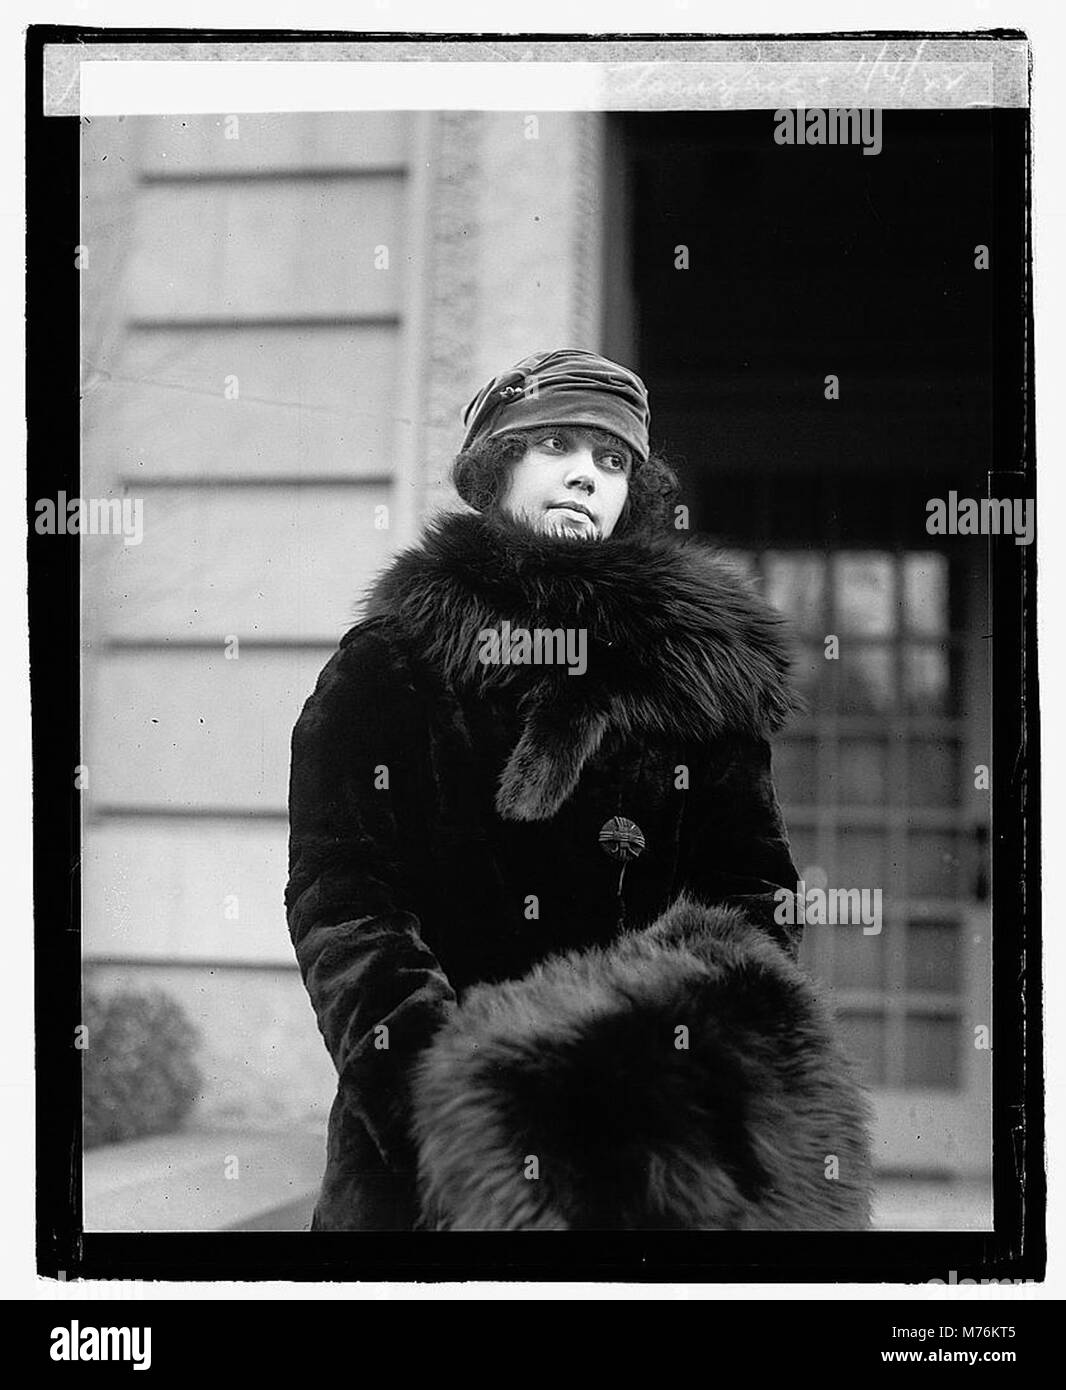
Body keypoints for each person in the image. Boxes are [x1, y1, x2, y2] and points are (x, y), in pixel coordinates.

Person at [285, 349, 828, 1231]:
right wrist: (449, 1104)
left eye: (612, 461)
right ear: (498, 469)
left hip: (649, 1158)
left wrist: (665, 1090)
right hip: (434, 1160)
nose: (586, 475)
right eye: (557, 447)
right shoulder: (392, 664)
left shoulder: (703, 678)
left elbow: (750, 899)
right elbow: (345, 903)